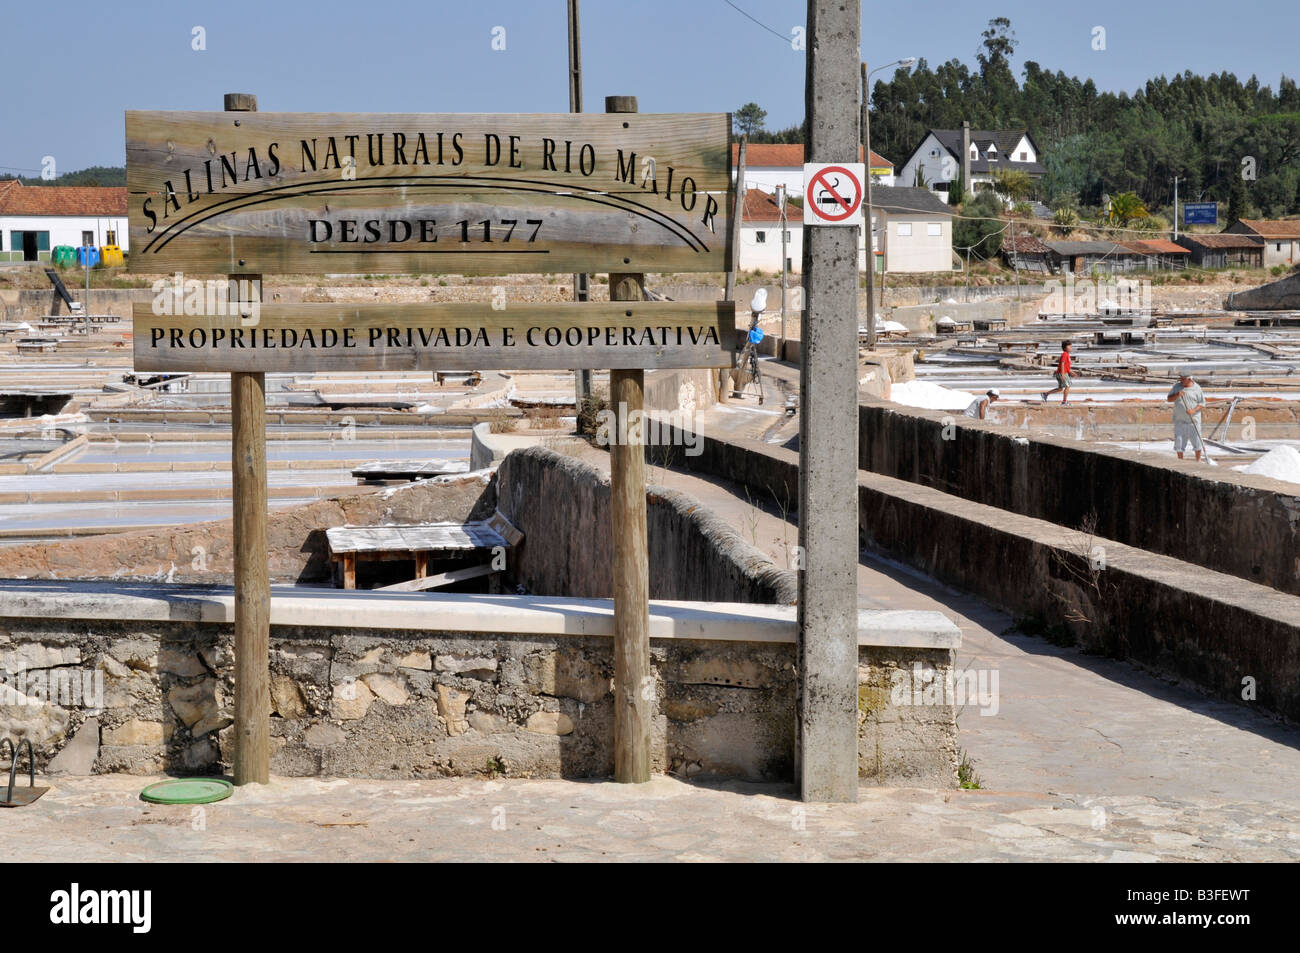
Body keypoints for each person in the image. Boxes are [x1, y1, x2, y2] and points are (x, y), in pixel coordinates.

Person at [1167, 369, 1207, 461]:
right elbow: (1169, 399)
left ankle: (1198, 460)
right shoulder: (1177, 387)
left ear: (1189, 379)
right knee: (1179, 443)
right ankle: (1180, 461)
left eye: (1182, 379)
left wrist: (1193, 410)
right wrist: (1177, 395)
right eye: (1180, 378)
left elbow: (1202, 403)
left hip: (1193, 421)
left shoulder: (1197, 388)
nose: (1180, 380)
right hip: (1179, 421)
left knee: (1197, 443)